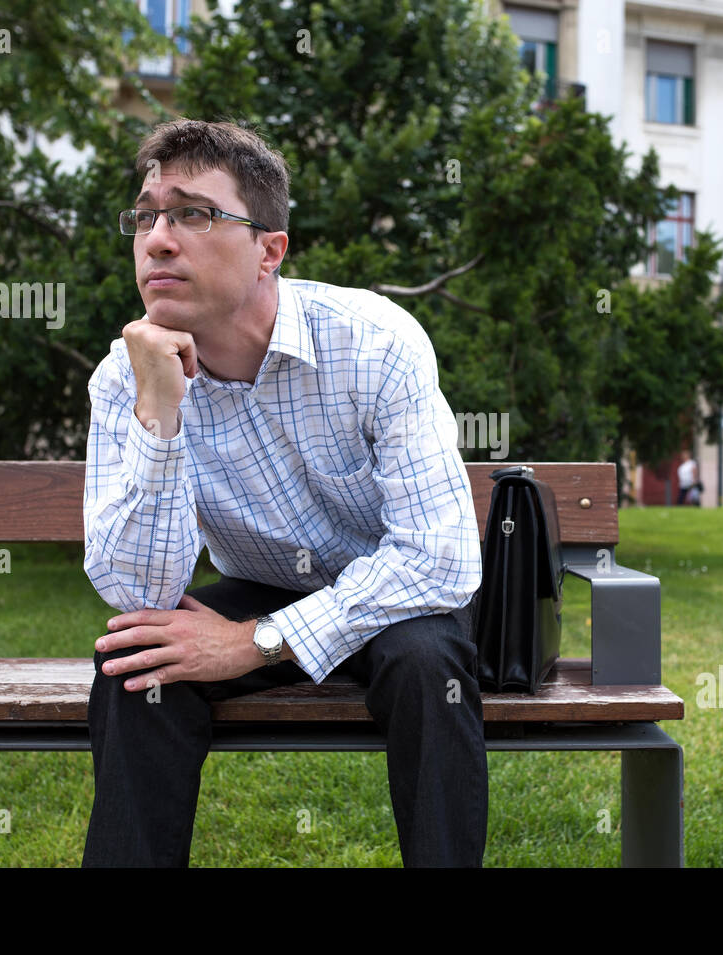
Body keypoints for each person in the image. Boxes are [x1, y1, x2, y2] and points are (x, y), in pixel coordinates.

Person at [81, 119, 486, 868]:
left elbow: (440, 559)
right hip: (268, 583)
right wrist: (160, 416)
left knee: (427, 662)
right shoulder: (125, 378)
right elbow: (136, 587)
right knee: (141, 660)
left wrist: (253, 642)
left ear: (270, 250)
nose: (158, 239)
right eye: (146, 215)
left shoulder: (373, 341)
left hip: (399, 595)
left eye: (193, 214)